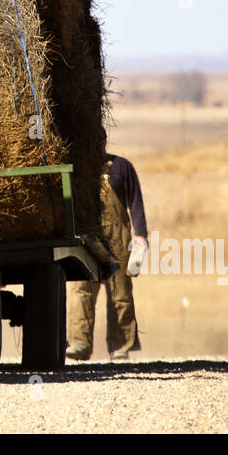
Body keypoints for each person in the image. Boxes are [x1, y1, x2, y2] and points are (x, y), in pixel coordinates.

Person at [66, 153, 148, 361]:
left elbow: (136, 202)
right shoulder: (78, 167)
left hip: (118, 240)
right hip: (86, 239)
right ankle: (78, 345)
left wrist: (140, 236)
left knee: (120, 293)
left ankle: (120, 346)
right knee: (80, 290)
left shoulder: (122, 167)